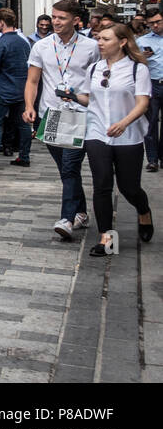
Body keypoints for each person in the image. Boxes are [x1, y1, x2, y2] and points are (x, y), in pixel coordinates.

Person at [75, 22, 153, 257]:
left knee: (129, 187)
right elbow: (90, 100)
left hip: (128, 135)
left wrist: (124, 123)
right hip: (97, 133)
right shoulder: (94, 69)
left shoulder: (137, 70)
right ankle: (107, 239)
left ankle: (144, 210)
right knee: (102, 185)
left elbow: (142, 102)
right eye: (98, 39)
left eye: (106, 39)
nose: (100, 43)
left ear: (122, 42)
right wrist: (70, 95)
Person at [23, 0, 98, 240]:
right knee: (66, 170)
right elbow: (32, 80)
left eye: (61, 18)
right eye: (54, 16)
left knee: (70, 166)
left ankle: (66, 219)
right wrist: (29, 106)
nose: (55, 21)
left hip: (79, 115)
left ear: (76, 20)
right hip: (51, 114)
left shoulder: (91, 47)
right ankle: (82, 212)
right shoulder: (42, 46)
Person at [0, 8, 33, 168]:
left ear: (2, 22)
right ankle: (24, 156)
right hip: (21, 89)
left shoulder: (0, 44)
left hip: (2, 89)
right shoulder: (24, 42)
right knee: (23, 124)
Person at [136, 9, 163, 172]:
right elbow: (134, 62)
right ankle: (152, 159)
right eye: (151, 23)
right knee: (151, 123)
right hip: (151, 83)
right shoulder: (142, 41)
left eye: (158, 22)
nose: (155, 25)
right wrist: (142, 57)